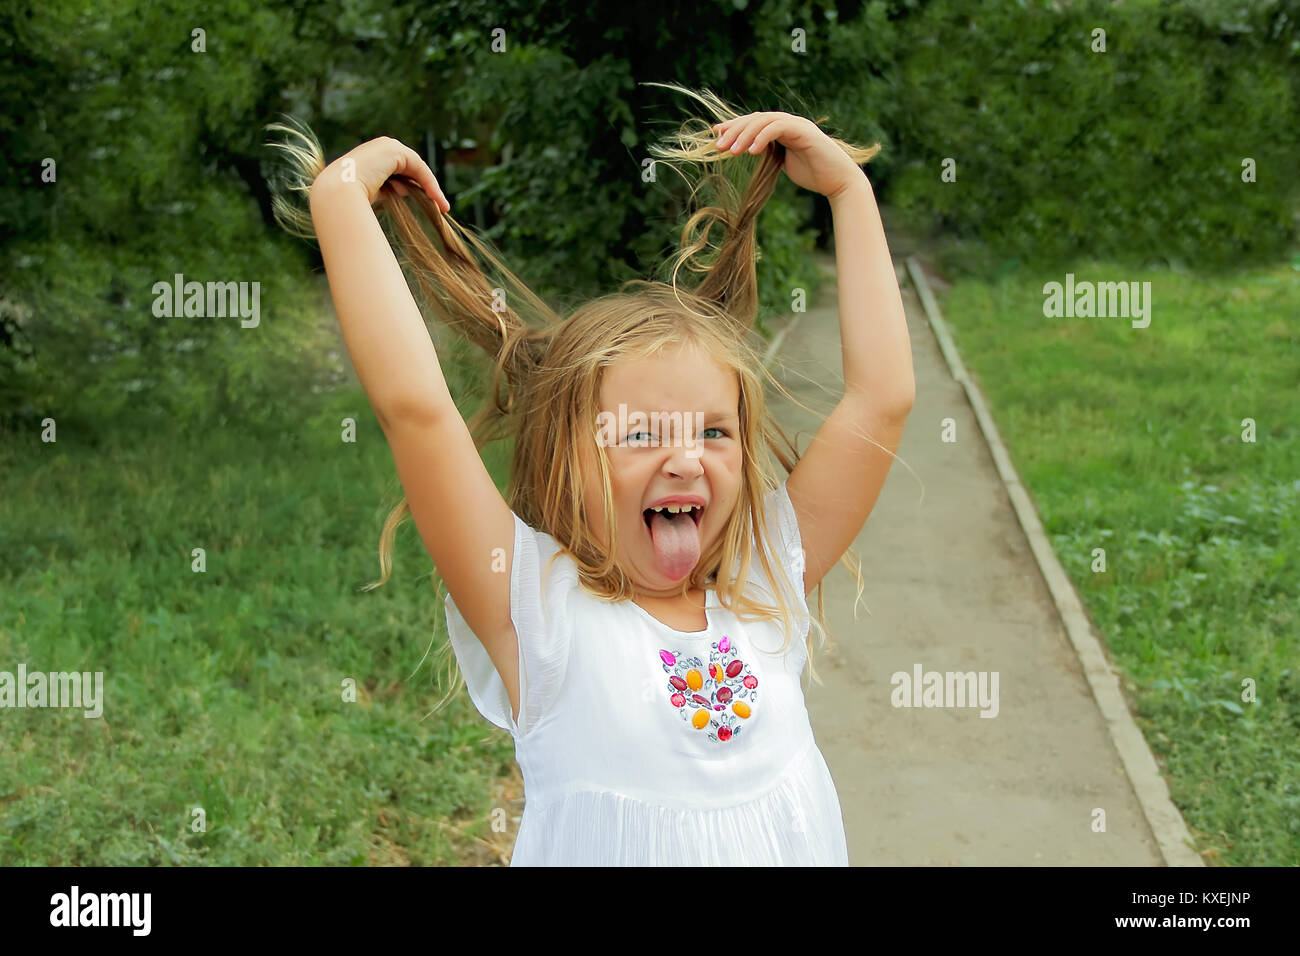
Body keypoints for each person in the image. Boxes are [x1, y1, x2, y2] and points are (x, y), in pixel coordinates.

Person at [268, 83, 915, 865]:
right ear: (564, 457)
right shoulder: (536, 612)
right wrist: (341, 196)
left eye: (713, 430)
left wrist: (848, 188)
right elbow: (418, 411)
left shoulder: (766, 577)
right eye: (640, 433)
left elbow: (881, 400)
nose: (685, 456)